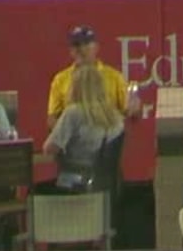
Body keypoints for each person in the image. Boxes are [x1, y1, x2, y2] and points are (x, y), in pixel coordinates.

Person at [42, 63, 124, 191]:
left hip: (76, 180)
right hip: (107, 185)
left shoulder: (73, 113)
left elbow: (49, 148)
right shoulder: (116, 117)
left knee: (38, 189)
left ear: (75, 87)